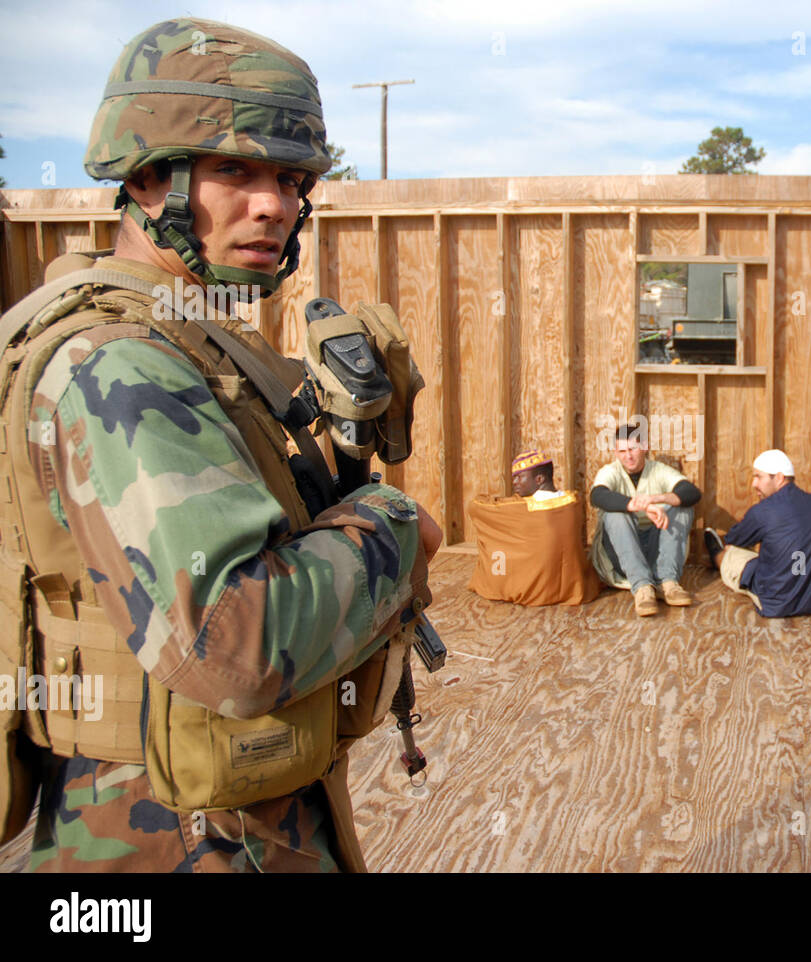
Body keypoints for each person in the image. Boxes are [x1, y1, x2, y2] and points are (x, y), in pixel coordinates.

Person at [0, 18, 441, 872]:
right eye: (233, 170)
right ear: (147, 179)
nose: (272, 202)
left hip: (210, 810)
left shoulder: (169, 332)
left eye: (289, 176)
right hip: (178, 833)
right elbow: (235, 644)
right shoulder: (121, 365)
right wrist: (389, 523)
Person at [703, 450, 811, 617]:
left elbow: (734, 539)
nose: (754, 484)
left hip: (779, 602)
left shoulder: (762, 511)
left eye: (759, 477)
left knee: (733, 553)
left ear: (779, 478)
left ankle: (716, 556)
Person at [589, 423, 701, 616]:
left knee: (681, 508)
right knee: (614, 514)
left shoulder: (657, 469)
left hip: (656, 550)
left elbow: (691, 492)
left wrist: (657, 499)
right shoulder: (611, 471)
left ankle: (668, 582)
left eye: (633, 449)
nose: (628, 456)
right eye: (622, 450)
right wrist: (639, 505)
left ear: (645, 447)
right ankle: (642, 588)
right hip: (622, 555)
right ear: (616, 452)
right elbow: (597, 495)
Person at [468, 451, 601, 606]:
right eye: (514, 478)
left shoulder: (522, 508)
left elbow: (476, 506)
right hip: (573, 587)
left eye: (520, 477)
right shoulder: (573, 501)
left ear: (539, 479)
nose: (515, 482)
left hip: (538, 592)